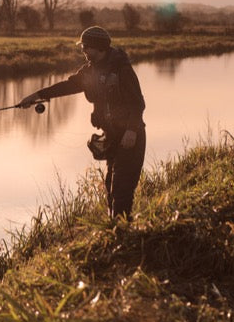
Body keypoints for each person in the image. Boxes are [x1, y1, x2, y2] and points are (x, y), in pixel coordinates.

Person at [17, 26, 146, 221]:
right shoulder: (90, 71)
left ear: (99, 48)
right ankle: (118, 231)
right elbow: (68, 86)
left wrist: (131, 131)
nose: (83, 51)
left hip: (131, 137)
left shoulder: (122, 70)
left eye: (86, 47)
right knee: (111, 186)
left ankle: (123, 235)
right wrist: (36, 96)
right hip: (112, 137)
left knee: (121, 189)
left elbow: (138, 103)